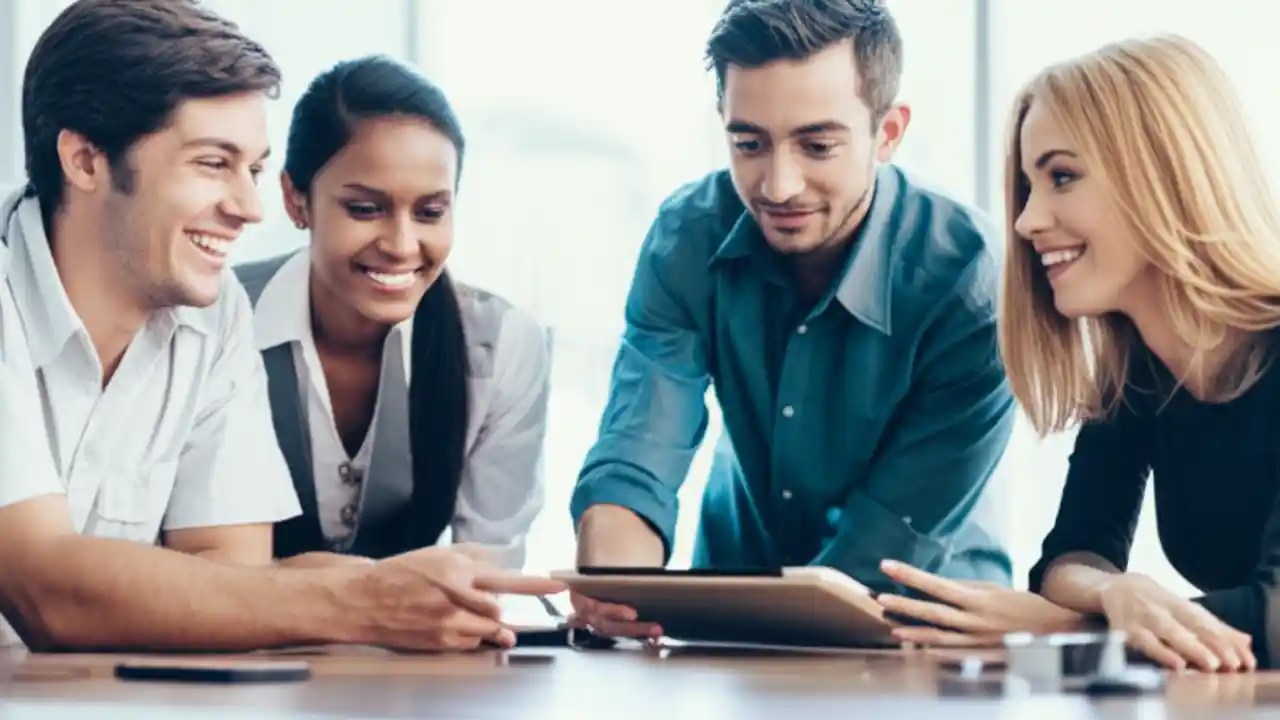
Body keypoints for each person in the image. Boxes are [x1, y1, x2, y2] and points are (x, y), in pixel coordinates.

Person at [0, 0, 559, 652]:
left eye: (255, 169)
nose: (247, 207)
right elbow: (43, 589)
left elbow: (235, 579)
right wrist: (360, 600)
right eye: (213, 163)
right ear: (86, 160)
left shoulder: (214, 312)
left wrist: (407, 592)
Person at [570, 0, 1015, 638]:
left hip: (923, 633)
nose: (778, 186)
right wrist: (613, 592)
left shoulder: (972, 282)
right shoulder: (687, 237)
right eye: (749, 143)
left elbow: (886, 552)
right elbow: (640, 449)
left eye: (818, 145)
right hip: (732, 619)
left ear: (887, 133)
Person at [874, 35, 1280, 673]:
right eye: (1030, 186)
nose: (1027, 221)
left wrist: (1059, 628)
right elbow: (1070, 558)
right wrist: (1115, 593)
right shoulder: (1139, 372)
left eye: (1062, 177)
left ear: (1164, 175)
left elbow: (1274, 621)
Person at [236, 56, 550, 569]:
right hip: (236, 640)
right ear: (296, 201)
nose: (403, 245)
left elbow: (488, 570)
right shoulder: (217, 319)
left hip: (421, 647)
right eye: (365, 209)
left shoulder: (499, 344)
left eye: (430, 212)